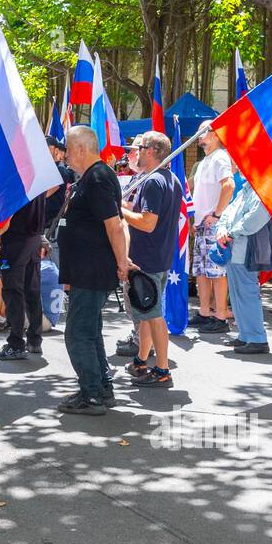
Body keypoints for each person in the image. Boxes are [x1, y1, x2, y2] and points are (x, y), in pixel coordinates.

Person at [57, 126, 130, 416]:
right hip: (85, 269)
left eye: (68, 149)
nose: (65, 155)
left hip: (92, 269)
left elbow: (114, 224)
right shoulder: (91, 177)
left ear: (81, 149)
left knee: (77, 334)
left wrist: (122, 262)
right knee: (90, 331)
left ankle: (92, 395)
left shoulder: (98, 177)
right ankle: (100, 387)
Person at [121, 130, 182, 386]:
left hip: (148, 259)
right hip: (158, 256)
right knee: (146, 312)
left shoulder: (152, 182)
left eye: (140, 147)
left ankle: (162, 370)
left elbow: (147, 223)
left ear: (152, 151)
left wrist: (119, 212)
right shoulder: (170, 180)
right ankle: (141, 360)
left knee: (154, 314)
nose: (136, 152)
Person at [215, 176, 272, 355]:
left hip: (246, 250)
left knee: (248, 294)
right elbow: (229, 212)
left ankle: (257, 338)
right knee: (237, 294)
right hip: (234, 248)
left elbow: (256, 219)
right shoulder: (246, 188)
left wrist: (230, 232)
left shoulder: (263, 190)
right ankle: (245, 334)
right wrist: (221, 228)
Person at [190, 120, 235, 332]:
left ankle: (220, 316)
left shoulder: (220, 157)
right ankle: (205, 311)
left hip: (213, 225)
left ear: (216, 134)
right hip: (201, 224)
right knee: (202, 271)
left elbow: (229, 185)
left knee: (217, 272)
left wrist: (217, 215)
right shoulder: (206, 160)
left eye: (204, 131)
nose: (199, 134)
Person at [0, 189, 46, 362]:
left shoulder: (15, 180)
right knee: (32, 289)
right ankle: (34, 340)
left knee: (13, 291)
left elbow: (9, 214)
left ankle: (16, 344)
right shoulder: (37, 178)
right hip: (33, 238)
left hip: (16, 239)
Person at [38, 237, 63, 331]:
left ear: (41, 251)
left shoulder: (41, 268)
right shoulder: (51, 267)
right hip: (49, 320)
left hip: (42, 320)